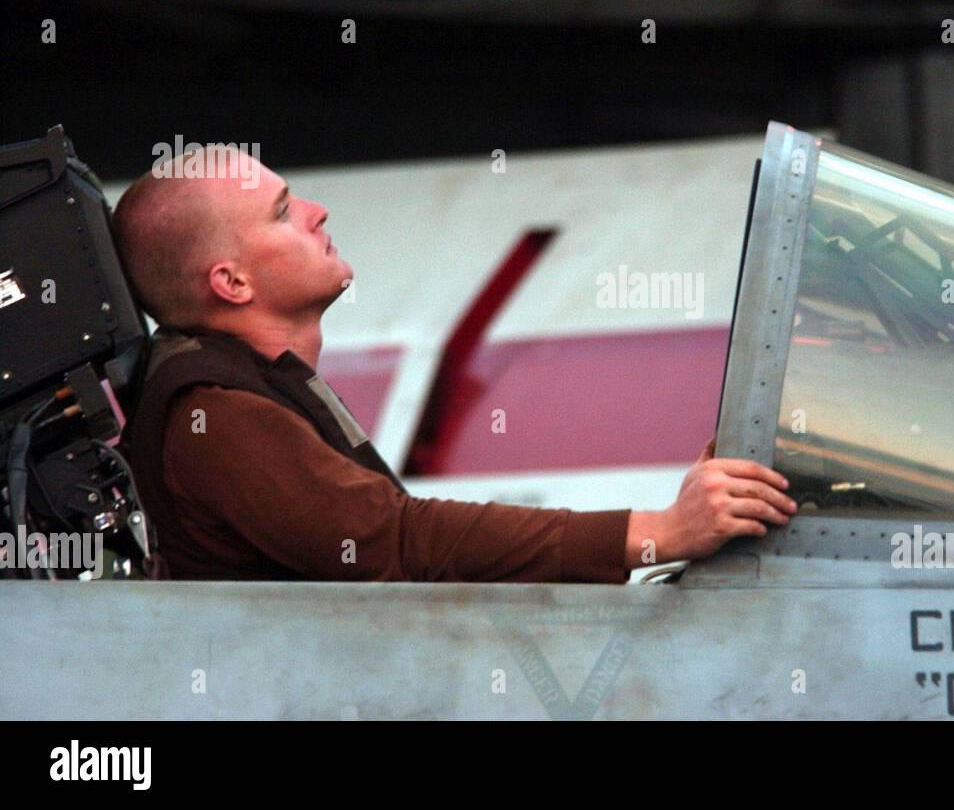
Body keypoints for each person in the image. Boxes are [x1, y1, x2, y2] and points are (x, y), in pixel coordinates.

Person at [111, 145, 795, 581]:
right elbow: (397, 541)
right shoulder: (214, 415)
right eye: (284, 212)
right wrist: (656, 533)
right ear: (231, 284)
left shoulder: (237, 391)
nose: (317, 213)